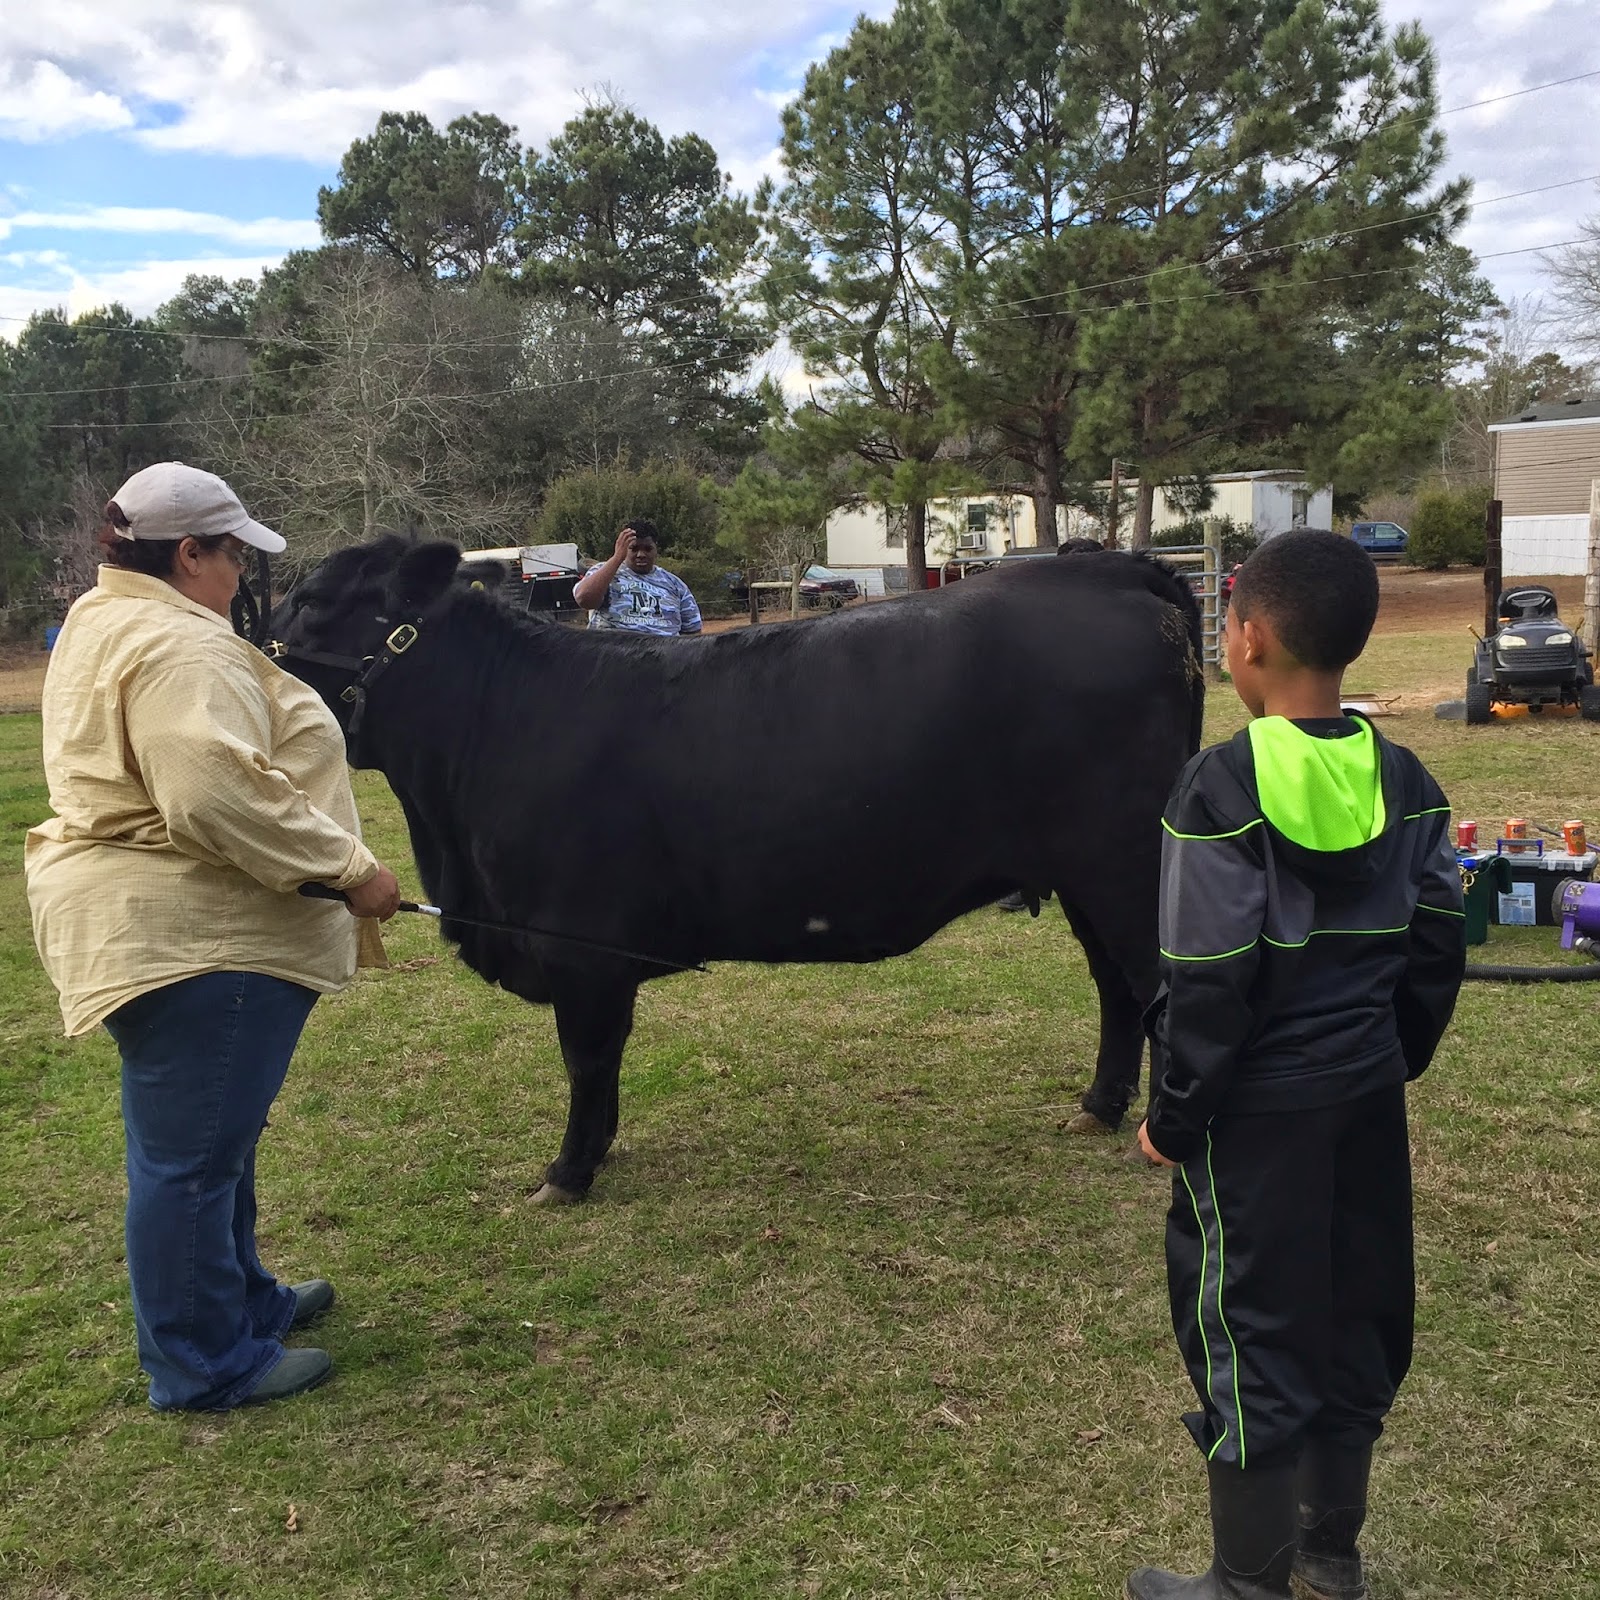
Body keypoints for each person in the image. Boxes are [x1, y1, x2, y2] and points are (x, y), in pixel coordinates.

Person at [1126, 531, 1466, 1600]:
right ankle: (1330, 1551)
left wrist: (1172, 1122)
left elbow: (1207, 984)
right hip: (1365, 1096)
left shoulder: (1217, 791)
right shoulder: (1408, 780)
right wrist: (1386, 1057)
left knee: (1247, 1325)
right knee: (1358, 1308)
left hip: (1255, 1124)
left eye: (1224, 621)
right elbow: (1436, 950)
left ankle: (1244, 1582)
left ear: (1250, 639)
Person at [25, 462, 403, 1413]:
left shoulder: (106, 618)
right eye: (232, 552)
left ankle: (241, 1303)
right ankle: (203, 1363)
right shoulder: (179, 648)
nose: (242, 570)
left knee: (210, 1144)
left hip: (160, 926)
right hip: (199, 936)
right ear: (186, 553)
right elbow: (210, 792)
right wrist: (353, 871)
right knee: (190, 1160)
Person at [572, 519, 703, 636]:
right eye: (634, 548)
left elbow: (692, 632)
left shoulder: (675, 585)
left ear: (656, 549)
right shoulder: (603, 572)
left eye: (647, 549)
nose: (641, 554)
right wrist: (617, 557)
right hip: (614, 656)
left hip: (663, 658)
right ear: (623, 548)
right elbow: (585, 600)